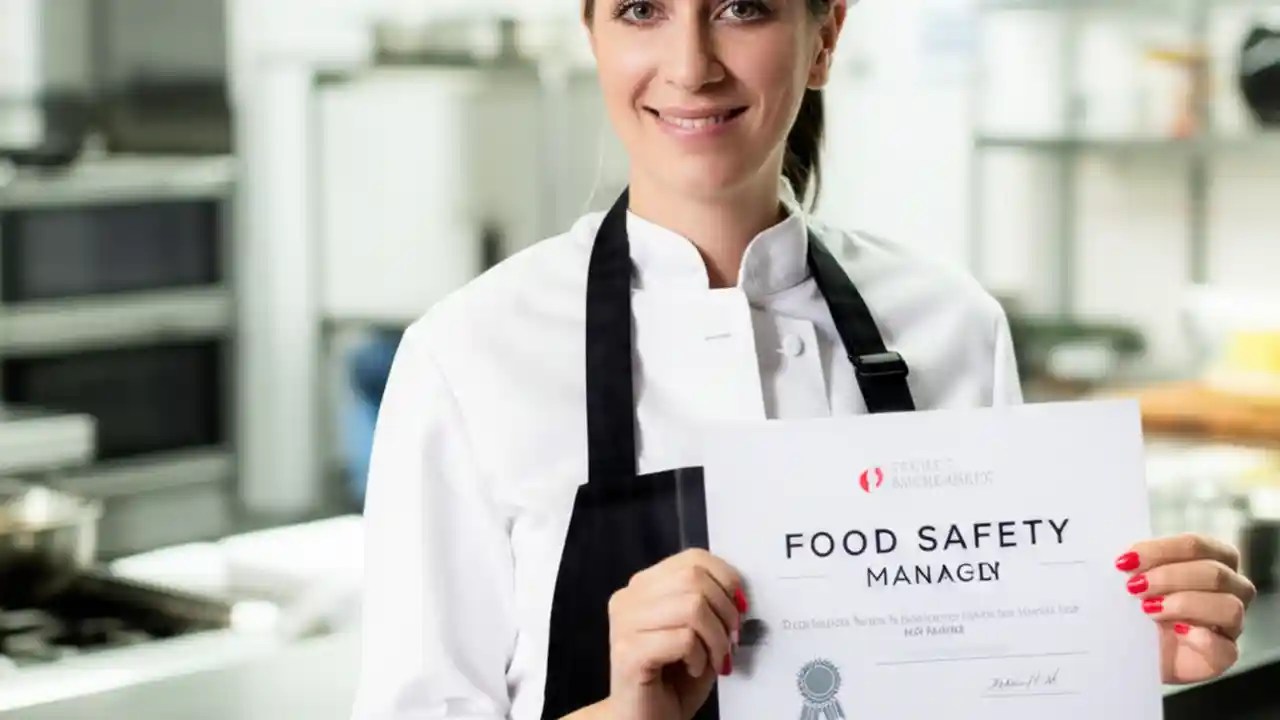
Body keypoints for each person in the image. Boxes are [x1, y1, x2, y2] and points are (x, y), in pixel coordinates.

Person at [351, 1, 1257, 719]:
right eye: (639, 10)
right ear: (590, 34)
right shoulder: (468, 357)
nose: (690, 63)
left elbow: (980, 684)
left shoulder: (953, 326)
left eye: (743, 8)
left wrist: (1106, 657)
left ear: (824, 37)